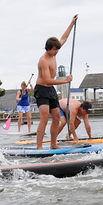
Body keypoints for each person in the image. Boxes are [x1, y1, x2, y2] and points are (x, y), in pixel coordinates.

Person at [34, 15, 77, 150]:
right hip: (42, 89)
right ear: (49, 48)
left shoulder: (54, 53)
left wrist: (72, 23)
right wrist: (65, 81)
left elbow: (63, 38)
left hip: (51, 90)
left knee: (57, 117)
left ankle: (53, 144)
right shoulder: (43, 60)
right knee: (45, 118)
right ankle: (39, 146)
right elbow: (47, 80)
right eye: (55, 49)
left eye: (58, 49)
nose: (57, 51)